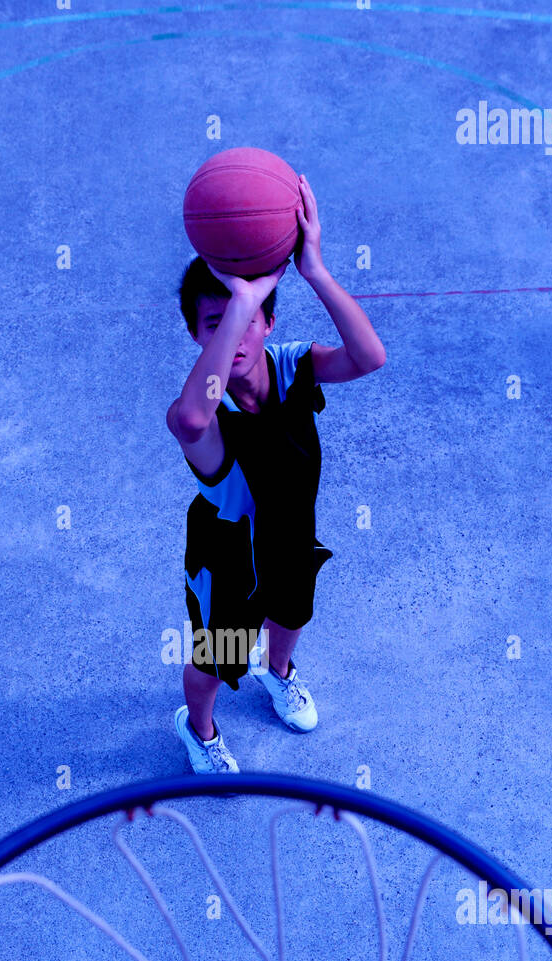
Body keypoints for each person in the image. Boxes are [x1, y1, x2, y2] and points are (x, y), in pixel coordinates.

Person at [167, 174, 386, 772]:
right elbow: (187, 420)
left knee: (291, 614)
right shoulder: (210, 411)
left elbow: (370, 357)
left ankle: (280, 672)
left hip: (290, 537)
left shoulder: (293, 367)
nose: (232, 335)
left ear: (268, 325)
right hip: (231, 560)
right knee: (216, 661)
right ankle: (200, 730)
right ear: (197, 334)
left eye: (245, 319)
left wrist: (313, 269)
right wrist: (239, 303)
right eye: (215, 324)